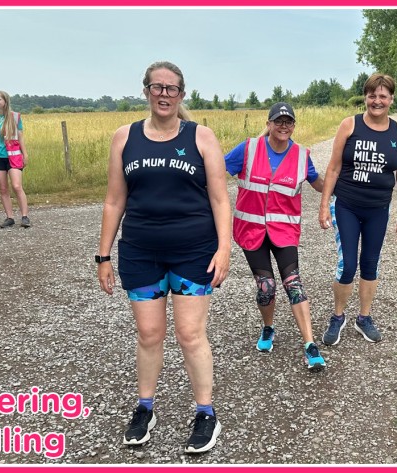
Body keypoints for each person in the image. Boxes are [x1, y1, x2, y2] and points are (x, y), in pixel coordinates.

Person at [96, 61, 231, 454]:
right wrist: (103, 255)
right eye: (157, 87)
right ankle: (145, 408)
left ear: (182, 94)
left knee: (190, 334)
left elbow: (220, 198)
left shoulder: (202, 137)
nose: (165, 95)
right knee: (150, 334)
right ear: (147, 92)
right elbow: (114, 199)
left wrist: (224, 248)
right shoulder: (125, 138)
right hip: (141, 253)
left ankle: (205, 412)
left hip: (193, 253)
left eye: (172, 88)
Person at [224, 102, 327, 372]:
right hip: (251, 230)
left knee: (294, 283)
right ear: (268, 124)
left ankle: (310, 345)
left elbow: (317, 182)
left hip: (284, 232)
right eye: (278, 121)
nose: (283, 126)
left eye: (288, 122)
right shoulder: (248, 148)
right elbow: (216, 171)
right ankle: (268, 328)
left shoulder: (302, 155)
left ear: (293, 126)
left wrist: (342, 190)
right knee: (266, 286)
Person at [318, 73, 397, 346]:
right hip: (346, 205)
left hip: (378, 209)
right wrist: (324, 205)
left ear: (391, 99)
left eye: (383, 96)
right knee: (347, 264)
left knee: (370, 263)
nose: (377, 101)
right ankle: (337, 316)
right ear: (366, 97)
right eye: (372, 95)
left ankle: (364, 318)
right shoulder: (349, 125)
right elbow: (334, 168)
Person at [0, 91, 31, 228]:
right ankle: (10, 217)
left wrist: (25, 154)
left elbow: (20, 136)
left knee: (16, 186)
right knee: (3, 188)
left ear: (5, 101)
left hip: (13, 156)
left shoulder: (15, 117)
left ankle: (25, 216)